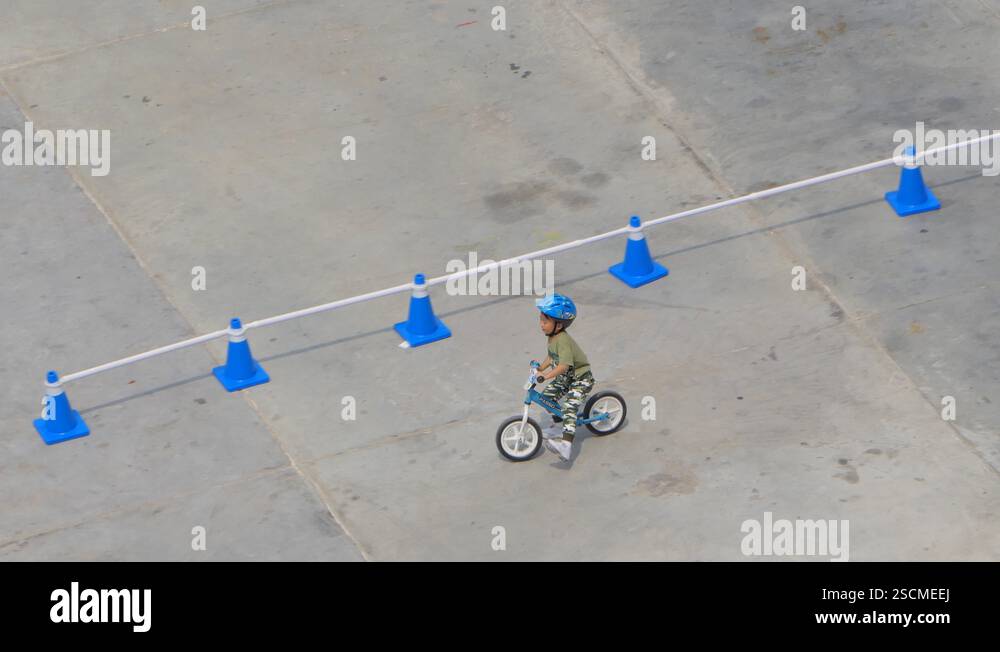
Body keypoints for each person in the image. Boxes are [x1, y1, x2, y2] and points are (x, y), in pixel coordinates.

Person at [534, 293, 594, 461]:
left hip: (580, 378)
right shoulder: (552, 338)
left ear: (559, 325)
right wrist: (539, 368)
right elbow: (552, 357)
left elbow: (563, 365)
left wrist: (545, 376)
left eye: (545, 322)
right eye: (541, 320)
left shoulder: (563, 340)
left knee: (569, 407)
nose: (541, 325)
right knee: (545, 398)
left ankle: (566, 446)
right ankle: (560, 425)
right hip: (567, 378)